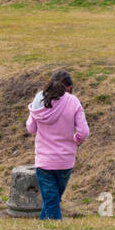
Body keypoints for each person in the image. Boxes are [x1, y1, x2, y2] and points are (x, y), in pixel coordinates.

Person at [24, 70, 89, 220]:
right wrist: (75, 140)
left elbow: (31, 128)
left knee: (51, 203)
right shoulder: (73, 102)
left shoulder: (39, 100)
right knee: (52, 202)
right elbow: (84, 132)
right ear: (69, 87)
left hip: (44, 162)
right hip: (66, 161)